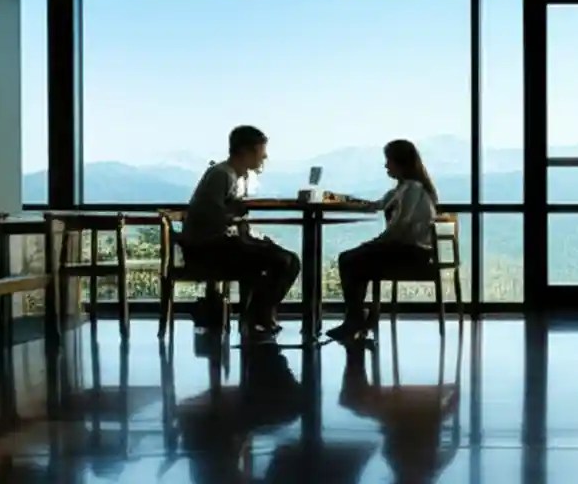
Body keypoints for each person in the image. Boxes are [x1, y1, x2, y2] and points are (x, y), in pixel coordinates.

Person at [182, 125, 301, 338]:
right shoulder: (222, 175)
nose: (264, 156)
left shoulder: (235, 175)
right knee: (283, 261)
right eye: (260, 151)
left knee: (290, 261)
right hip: (207, 249)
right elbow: (213, 217)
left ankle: (258, 316)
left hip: (219, 244)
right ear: (245, 152)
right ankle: (257, 316)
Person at [327, 139, 439, 342]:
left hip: (411, 253)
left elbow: (400, 228)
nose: (386, 166)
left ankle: (355, 319)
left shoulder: (411, 189)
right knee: (354, 260)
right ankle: (357, 318)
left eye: (389, 161)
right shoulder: (404, 188)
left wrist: (376, 243)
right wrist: (339, 199)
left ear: (400, 162)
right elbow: (375, 205)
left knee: (349, 260)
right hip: (406, 249)